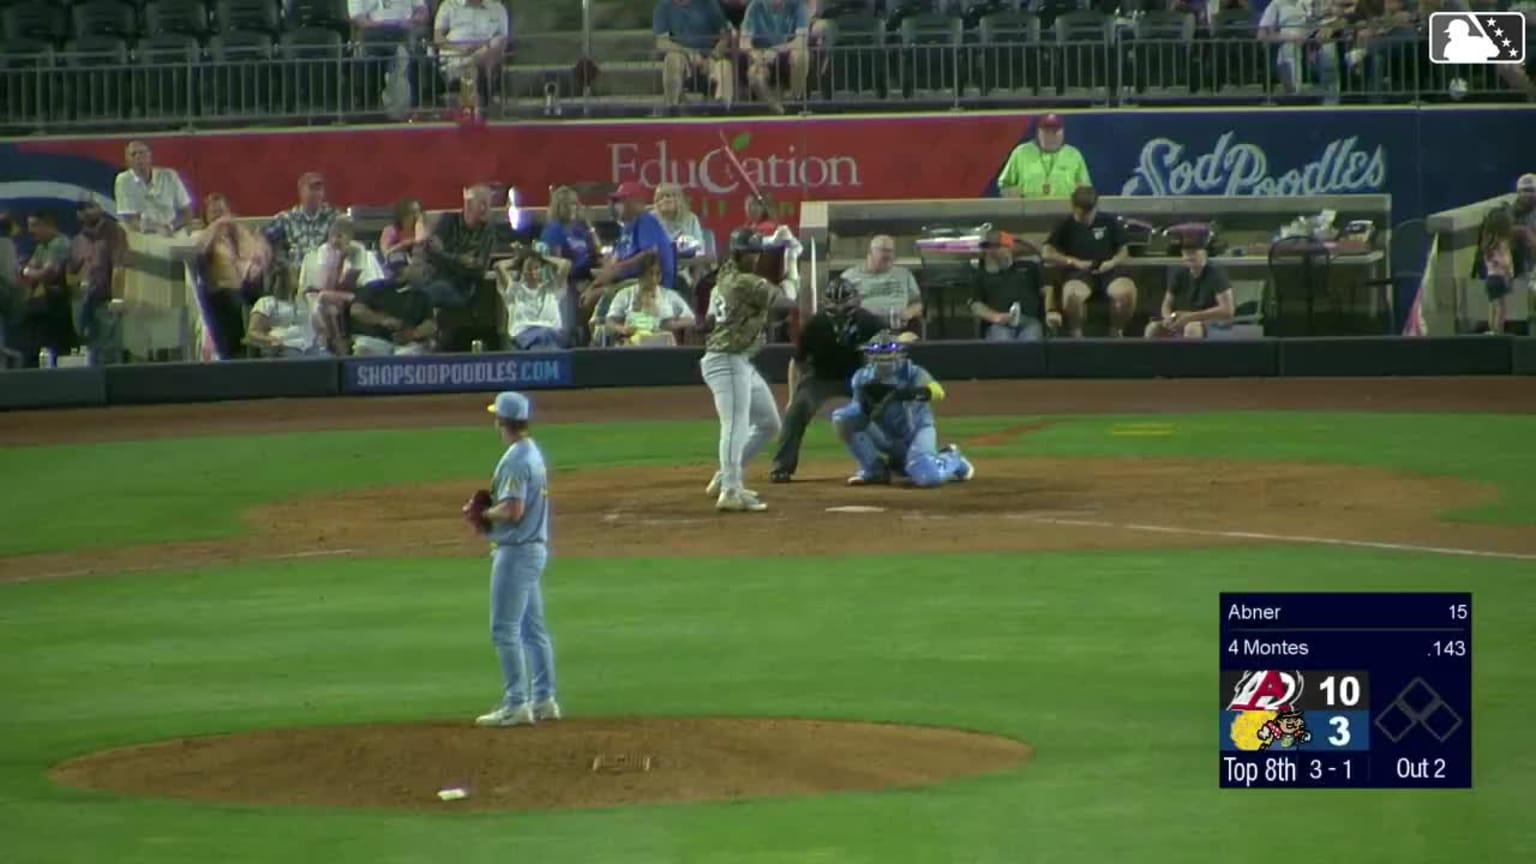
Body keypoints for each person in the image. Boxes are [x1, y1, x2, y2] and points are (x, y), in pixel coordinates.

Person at [468, 391, 561, 728]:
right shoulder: (532, 452)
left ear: (501, 422)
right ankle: (544, 699)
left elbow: (513, 508)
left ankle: (516, 704)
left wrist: (483, 514)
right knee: (533, 629)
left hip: (517, 552)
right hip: (533, 549)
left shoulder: (516, 459)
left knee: (504, 629)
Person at [701, 228, 790, 512]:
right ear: (738, 254)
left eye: (757, 252)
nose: (755, 257)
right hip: (726, 360)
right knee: (735, 424)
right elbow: (785, 303)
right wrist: (793, 266)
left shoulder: (726, 274)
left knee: (769, 423)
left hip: (739, 360)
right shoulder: (744, 282)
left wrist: (779, 251)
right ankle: (729, 490)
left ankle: (726, 476)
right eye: (750, 253)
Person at [769, 277, 884, 483]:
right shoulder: (816, 324)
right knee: (797, 410)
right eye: (835, 304)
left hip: (858, 376)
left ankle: (896, 459)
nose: (839, 309)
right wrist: (792, 397)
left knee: (885, 409)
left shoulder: (870, 322)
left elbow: (885, 355)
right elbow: (797, 362)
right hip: (821, 378)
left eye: (844, 304)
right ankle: (782, 465)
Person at [830, 332, 975, 487]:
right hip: (886, 437)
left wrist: (903, 394)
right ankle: (874, 470)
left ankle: (952, 457)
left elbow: (938, 391)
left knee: (927, 476)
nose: (883, 361)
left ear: (899, 354)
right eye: (879, 355)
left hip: (917, 431)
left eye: (888, 354)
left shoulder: (913, 372)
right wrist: (867, 406)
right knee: (842, 418)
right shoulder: (862, 377)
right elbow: (857, 415)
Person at [1042, 185, 1138, 337]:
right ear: (1073, 207)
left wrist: (1112, 262)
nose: (1085, 218)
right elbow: (1047, 253)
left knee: (1126, 293)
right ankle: (1077, 334)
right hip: (1079, 272)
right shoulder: (1065, 225)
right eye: (1081, 215)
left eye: (1088, 214)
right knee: (1072, 296)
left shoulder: (1109, 221)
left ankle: (1116, 331)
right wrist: (1072, 261)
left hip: (1108, 270)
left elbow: (1123, 251)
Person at [1145, 232, 1234, 339]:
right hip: (1183, 319)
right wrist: (1168, 317)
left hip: (1211, 321)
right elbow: (1167, 304)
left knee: (1192, 329)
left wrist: (1190, 317)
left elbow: (1227, 310)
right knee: (1153, 329)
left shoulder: (1216, 273)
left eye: (1194, 252)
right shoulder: (1179, 272)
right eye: (1186, 253)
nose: (1189, 256)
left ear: (1205, 252)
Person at [968, 229, 1045, 341]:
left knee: (1030, 342)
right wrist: (995, 317)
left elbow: (1044, 253)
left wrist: (1018, 239)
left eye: (1001, 246)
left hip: (1029, 322)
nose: (998, 250)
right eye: (992, 247)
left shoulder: (1029, 267)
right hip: (1000, 324)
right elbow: (975, 304)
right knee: (1004, 342)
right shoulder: (982, 274)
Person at [996, 114, 1092, 200]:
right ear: (1038, 132)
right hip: (1028, 212)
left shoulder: (1074, 155)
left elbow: (1086, 190)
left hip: (1066, 212)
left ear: (1063, 132)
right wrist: (1010, 193)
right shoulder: (1021, 152)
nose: (1050, 136)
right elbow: (1004, 185)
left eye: (1055, 131)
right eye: (1046, 131)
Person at [496, 248, 569, 351]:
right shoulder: (514, 290)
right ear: (521, 271)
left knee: (547, 337)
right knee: (541, 342)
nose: (533, 272)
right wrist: (519, 259)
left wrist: (542, 257)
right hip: (524, 336)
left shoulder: (551, 288)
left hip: (551, 335)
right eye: (528, 269)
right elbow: (499, 266)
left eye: (537, 268)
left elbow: (565, 264)